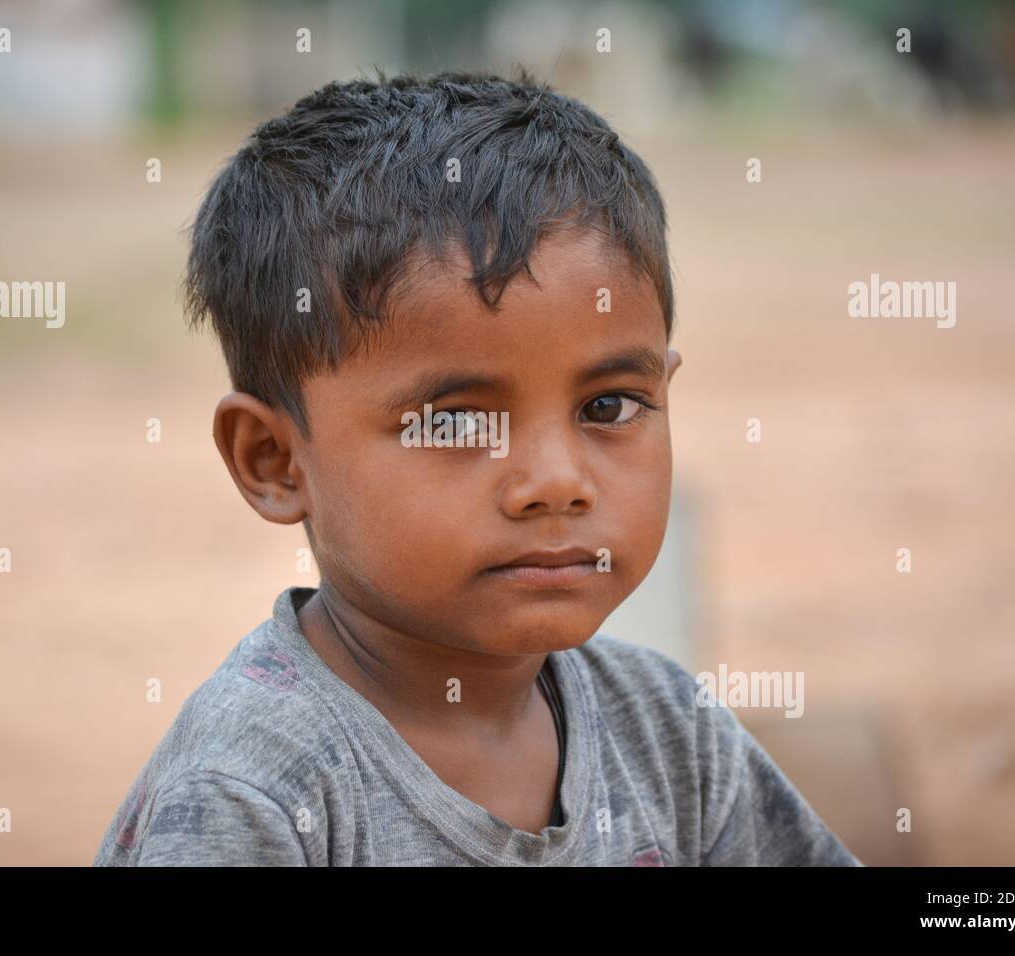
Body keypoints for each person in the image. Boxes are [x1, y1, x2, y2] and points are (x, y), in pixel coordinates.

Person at [94, 69, 861, 866]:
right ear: (275, 460)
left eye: (609, 407)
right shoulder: (252, 794)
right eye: (458, 422)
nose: (557, 482)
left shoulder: (671, 732)